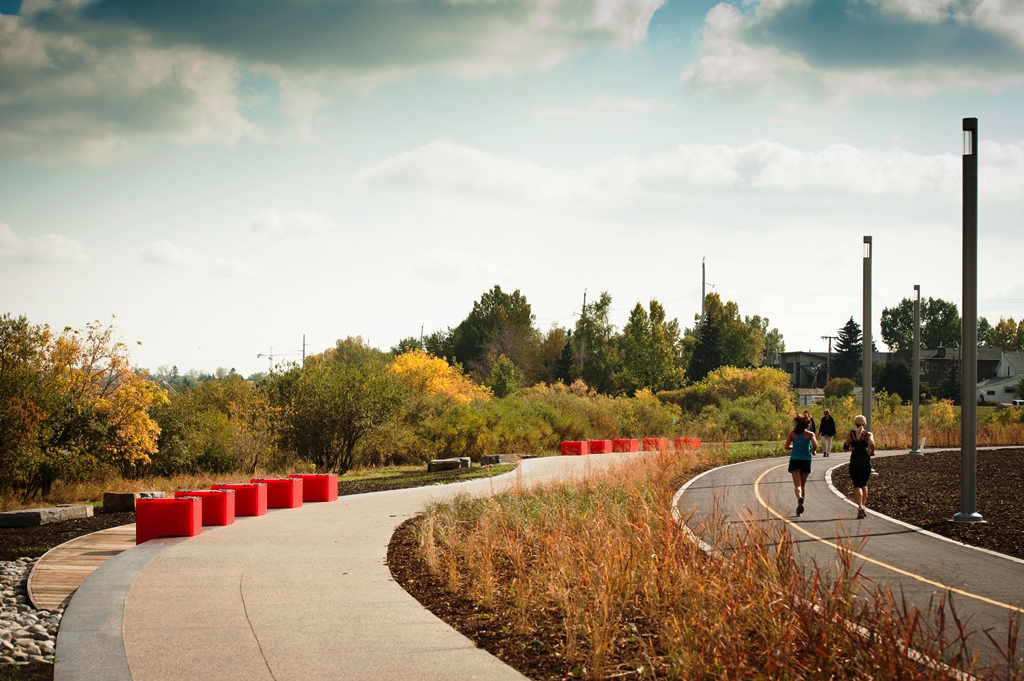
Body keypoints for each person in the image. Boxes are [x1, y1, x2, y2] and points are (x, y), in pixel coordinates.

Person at [785, 413, 818, 517]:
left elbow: (786, 447)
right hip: (806, 460)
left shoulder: (792, 434)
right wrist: (813, 451)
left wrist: (793, 447)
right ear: (807, 424)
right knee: (803, 485)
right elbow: (815, 444)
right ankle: (800, 506)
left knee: (797, 485)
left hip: (795, 459)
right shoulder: (810, 434)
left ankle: (799, 498)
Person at [843, 414, 875, 519]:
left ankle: (860, 505)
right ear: (865, 423)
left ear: (855, 423)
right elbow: (872, 443)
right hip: (865, 461)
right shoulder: (868, 434)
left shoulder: (851, 434)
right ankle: (863, 505)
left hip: (855, 461)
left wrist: (850, 448)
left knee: (857, 484)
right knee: (864, 484)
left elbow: (845, 447)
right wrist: (872, 452)